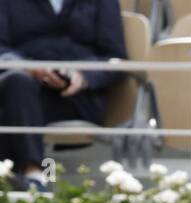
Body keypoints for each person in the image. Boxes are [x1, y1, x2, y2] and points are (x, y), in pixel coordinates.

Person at [0, 0, 126, 191]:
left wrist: (83, 76)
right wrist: (29, 67)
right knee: (18, 83)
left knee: (11, 113)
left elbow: (116, 58)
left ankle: (26, 185)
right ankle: (35, 176)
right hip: (24, 90)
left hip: (78, 97)